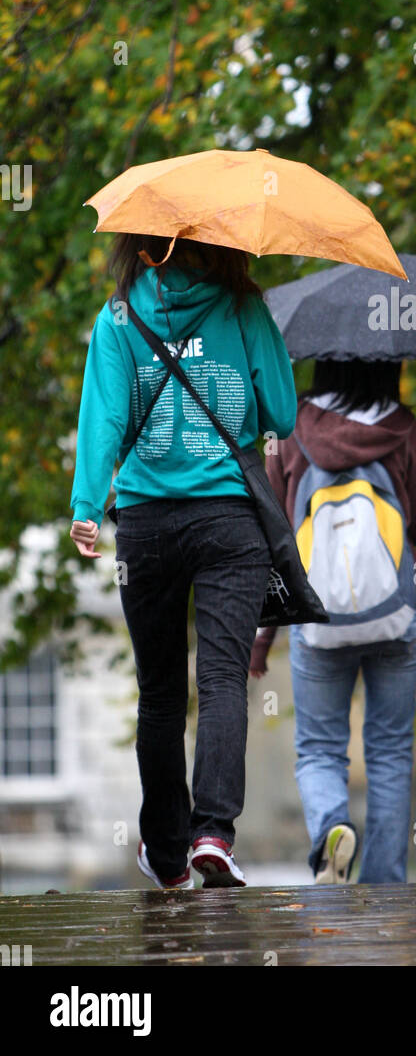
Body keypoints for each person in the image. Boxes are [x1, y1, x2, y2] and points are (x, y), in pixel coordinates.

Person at [69, 234, 297, 889]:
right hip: (230, 517)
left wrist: (88, 503)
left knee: (161, 693)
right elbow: (281, 412)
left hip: (145, 524)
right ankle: (212, 836)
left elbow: (104, 419)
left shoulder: (116, 317)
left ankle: (166, 852)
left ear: (145, 251)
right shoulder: (244, 307)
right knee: (224, 680)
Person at [250, 359, 416, 884]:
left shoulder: (288, 430)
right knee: (390, 751)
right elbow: (414, 516)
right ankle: (386, 885)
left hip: (318, 618)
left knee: (320, 748)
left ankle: (332, 828)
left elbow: (273, 534)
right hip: (396, 611)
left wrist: (262, 637)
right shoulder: (405, 428)